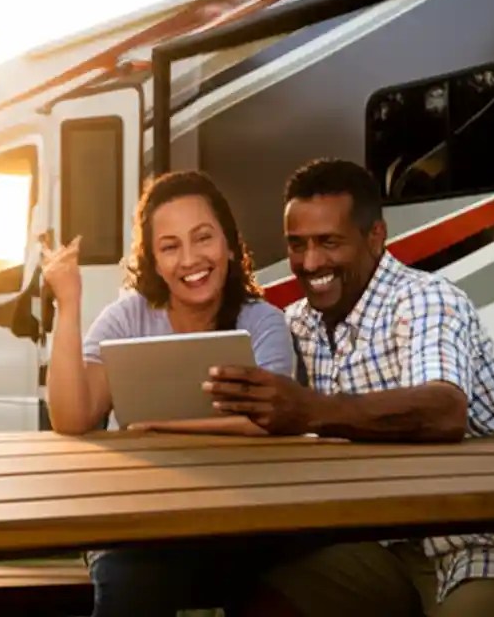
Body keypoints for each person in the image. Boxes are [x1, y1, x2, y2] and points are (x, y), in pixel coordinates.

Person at [188, 158, 494, 616]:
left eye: (329, 242)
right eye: (297, 245)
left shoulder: (425, 299)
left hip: (488, 548)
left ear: (376, 237)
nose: (311, 262)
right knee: (262, 597)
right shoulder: (298, 322)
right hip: (385, 545)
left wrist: (311, 410)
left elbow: (444, 411)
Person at [39, 169, 299, 616]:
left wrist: (159, 425)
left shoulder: (263, 322)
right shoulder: (127, 319)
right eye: (170, 246)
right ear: (154, 262)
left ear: (230, 246)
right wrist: (68, 303)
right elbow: (72, 417)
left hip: (241, 517)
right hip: (144, 517)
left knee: (281, 578)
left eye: (203, 238)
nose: (190, 259)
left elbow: (268, 421)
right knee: (127, 579)